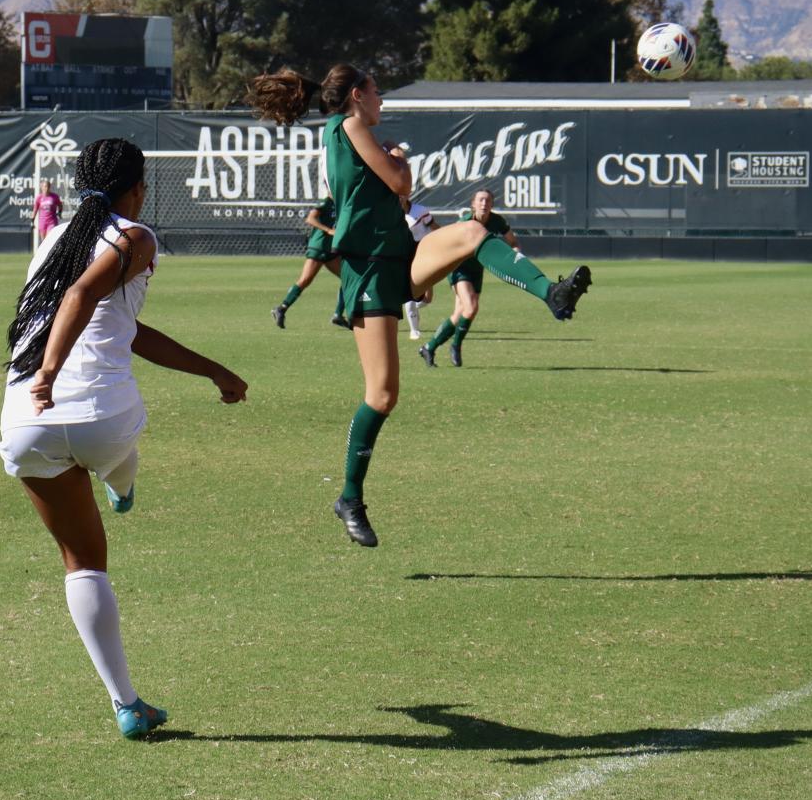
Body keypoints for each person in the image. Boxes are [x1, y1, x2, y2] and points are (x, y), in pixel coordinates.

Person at [249, 65, 589, 549]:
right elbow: (400, 184)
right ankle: (349, 496)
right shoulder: (348, 126)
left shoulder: (346, 129)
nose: (381, 99)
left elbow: (393, 195)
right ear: (356, 96)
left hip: (397, 254)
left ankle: (552, 296)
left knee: (474, 232)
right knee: (382, 395)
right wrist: (400, 158)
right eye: (376, 92)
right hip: (367, 268)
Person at [0, 138, 248, 738]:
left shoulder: (51, 243)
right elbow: (83, 299)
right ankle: (121, 481)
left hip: (24, 422)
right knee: (113, 450)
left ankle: (126, 704)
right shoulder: (136, 235)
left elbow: (119, 325)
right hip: (99, 416)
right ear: (138, 188)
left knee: (81, 563)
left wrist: (211, 366)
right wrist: (52, 372)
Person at [419, 188, 520, 368]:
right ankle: (456, 346)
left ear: (492, 204)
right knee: (471, 307)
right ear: (473, 204)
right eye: (480, 200)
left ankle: (429, 347)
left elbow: (513, 242)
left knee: (460, 314)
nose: (484, 204)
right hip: (459, 268)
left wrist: (516, 254)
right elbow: (449, 246)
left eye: (488, 200)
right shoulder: (464, 223)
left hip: (476, 270)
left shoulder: (497, 221)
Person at [271, 196, 342, 327]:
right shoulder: (326, 202)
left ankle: (338, 315)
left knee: (347, 279)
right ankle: (281, 308)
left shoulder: (341, 201)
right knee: (305, 280)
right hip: (319, 246)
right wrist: (328, 230)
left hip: (331, 248)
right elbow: (310, 218)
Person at [401, 194, 436, 340]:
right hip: (405, 255)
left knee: (428, 299)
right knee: (411, 292)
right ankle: (414, 330)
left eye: (400, 195)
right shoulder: (390, 213)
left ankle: (413, 306)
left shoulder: (420, 210)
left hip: (424, 251)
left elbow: (435, 228)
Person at [33, 178, 63, 244]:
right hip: (42, 222)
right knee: (43, 242)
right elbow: (35, 209)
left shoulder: (54, 196)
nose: (46, 188)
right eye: (44, 186)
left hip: (52, 221)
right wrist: (32, 220)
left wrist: (59, 212)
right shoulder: (39, 198)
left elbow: (60, 205)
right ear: (42, 188)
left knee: (50, 238)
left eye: (47, 186)